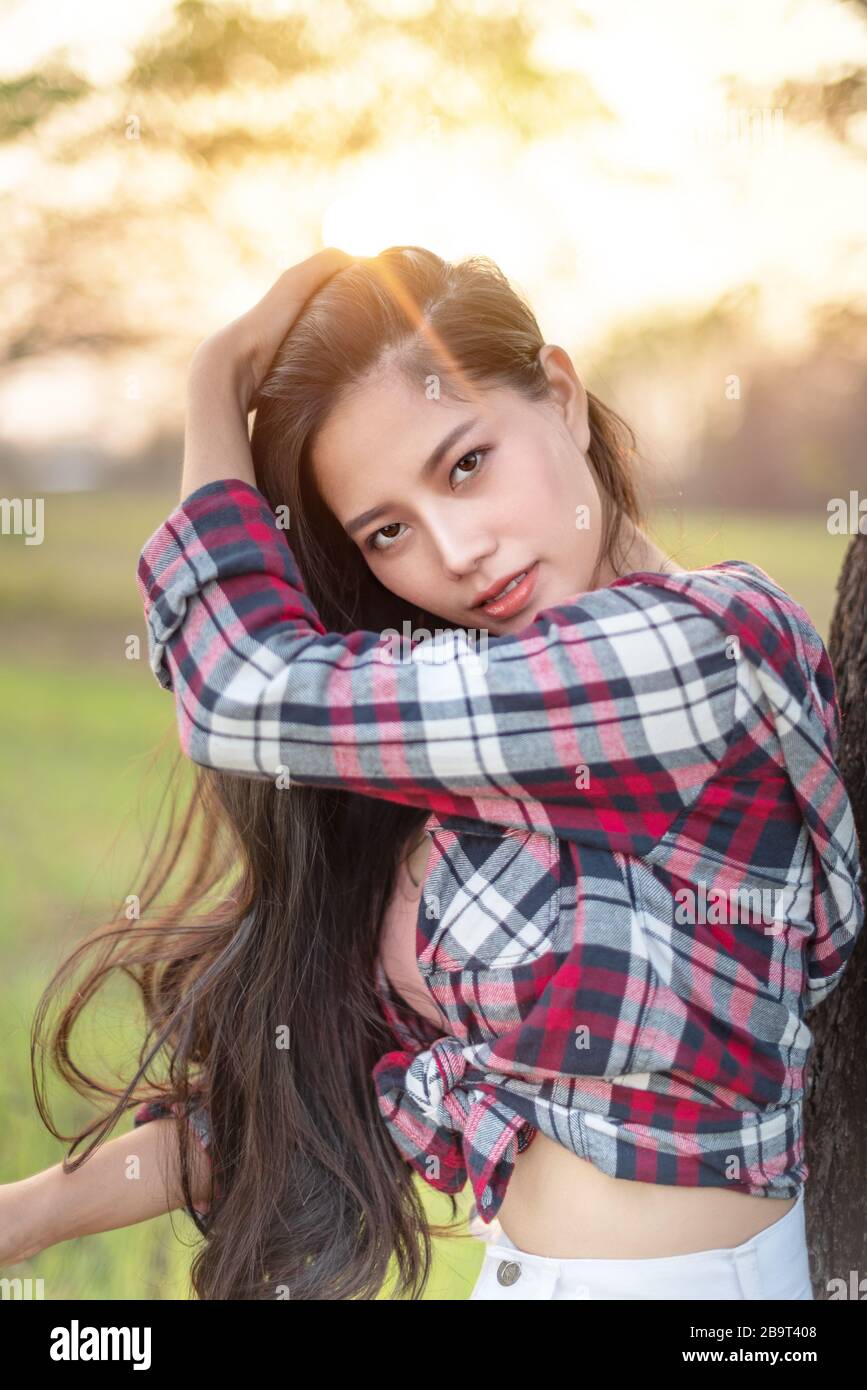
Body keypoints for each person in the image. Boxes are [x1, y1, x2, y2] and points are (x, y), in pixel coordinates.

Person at [3, 247, 862, 1301]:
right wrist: (25, 1218)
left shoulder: (699, 654)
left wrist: (216, 373)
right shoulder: (494, 771)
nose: (455, 550)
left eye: (466, 464)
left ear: (559, 393)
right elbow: (312, 1103)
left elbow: (240, 690)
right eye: (388, 531)